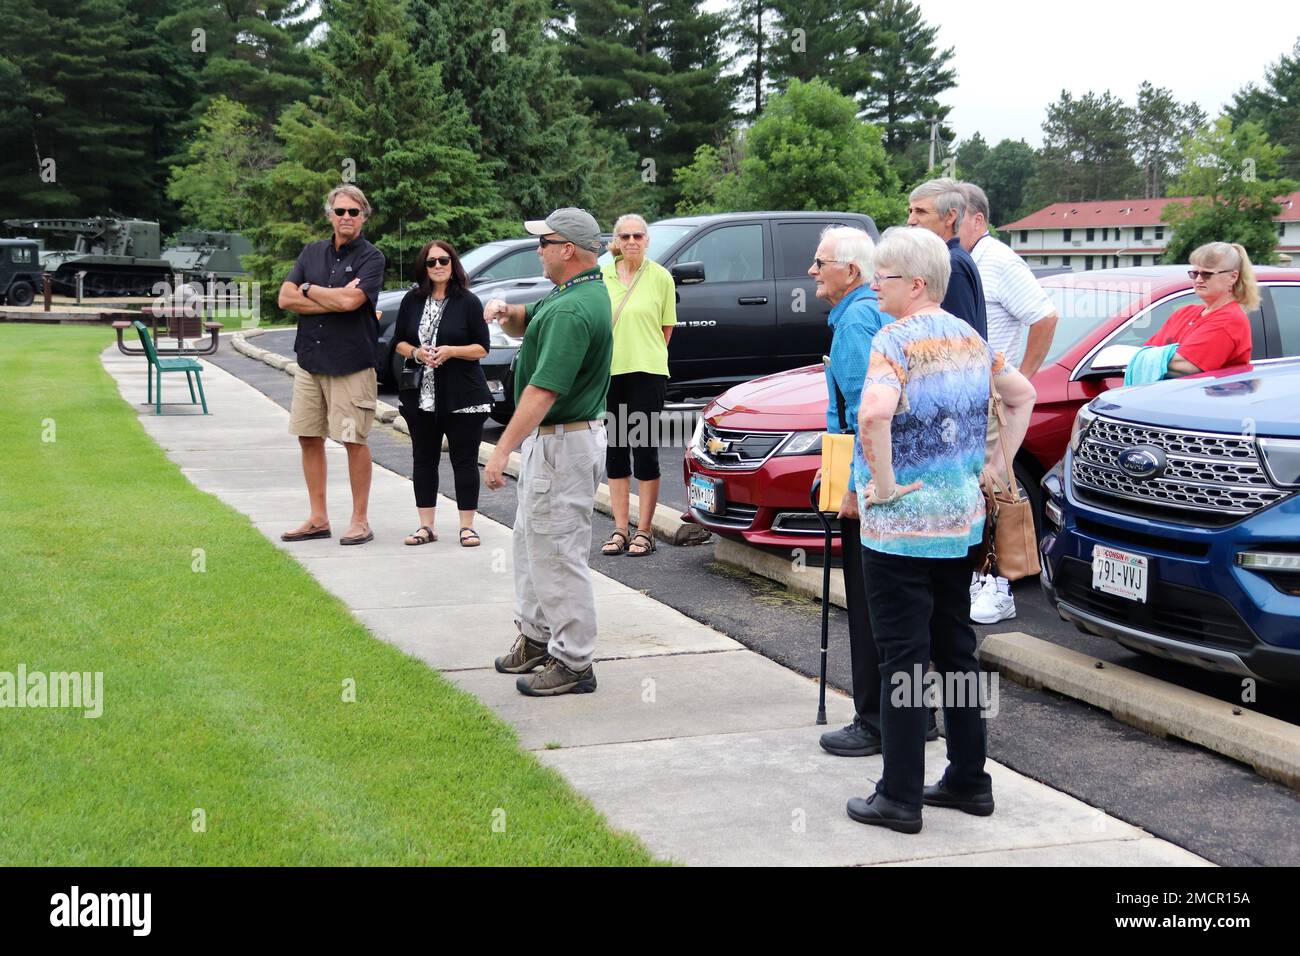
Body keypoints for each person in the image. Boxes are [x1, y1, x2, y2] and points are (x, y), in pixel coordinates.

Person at [845, 227, 1035, 834]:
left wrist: (885, 482)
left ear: (917, 284)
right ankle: (968, 779)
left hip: (900, 530)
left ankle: (899, 796)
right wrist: (999, 465)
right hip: (960, 522)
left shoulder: (894, 341)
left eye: (885, 277)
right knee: (956, 649)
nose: (875, 285)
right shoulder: (972, 339)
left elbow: (874, 414)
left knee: (902, 657)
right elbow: (1021, 394)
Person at [808, 226, 942, 758]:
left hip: (870, 478)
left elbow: (870, 414)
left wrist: (854, 487)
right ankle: (917, 717)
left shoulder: (858, 321)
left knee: (871, 605)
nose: (812, 272)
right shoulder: (871, 314)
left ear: (853, 273)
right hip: (905, 477)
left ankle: (875, 720)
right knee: (904, 607)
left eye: (821, 263)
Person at [481, 208, 613, 697]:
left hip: (563, 441)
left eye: (544, 242)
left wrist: (500, 452)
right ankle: (537, 639)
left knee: (557, 553)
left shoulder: (574, 309)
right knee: (531, 544)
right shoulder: (570, 294)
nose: (537, 249)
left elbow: (542, 392)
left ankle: (575, 661)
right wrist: (505, 312)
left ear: (568, 250)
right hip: (558, 442)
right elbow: (527, 321)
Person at [957, 181, 1059, 625]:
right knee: (979, 488)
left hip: (994, 392)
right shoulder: (963, 261)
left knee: (999, 487)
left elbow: (1045, 315)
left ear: (977, 219)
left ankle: (1001, 585)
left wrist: (1022, 376)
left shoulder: (997, 260)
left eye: (953, 215)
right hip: (973, 391)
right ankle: (979, 577)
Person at [278, 185, 386, 546]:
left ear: (363, 217)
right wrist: (329, 296)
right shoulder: (311, 253)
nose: (346, 218)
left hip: (351, 363)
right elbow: (284, 297)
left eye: (353, 212)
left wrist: (308, 290)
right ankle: (318, 518)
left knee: (353, 439)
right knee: (309, 437)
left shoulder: (373, 258)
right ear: (330, 215)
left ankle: (359, 521)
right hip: (311, 360)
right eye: (340, 211)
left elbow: (352, 302)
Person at [391, 239, 493, 547]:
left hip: (463, 396)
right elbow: (398, 342)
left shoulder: (468, 301)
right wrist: (418, 354)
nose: (437, 266)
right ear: (424, 267)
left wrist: (451, 351)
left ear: (453, 264)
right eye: (431, 262)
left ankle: (467, 526)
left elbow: (482, 348)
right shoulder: (412, 300)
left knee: (464, 460)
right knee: (423, 459)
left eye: (443, 261)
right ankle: (427, 526)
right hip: (421, 396)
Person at [599, 214, 676, 558]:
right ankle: (619, 528)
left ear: (647, 241)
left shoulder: (661, 277)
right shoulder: (603, 275)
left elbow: (666, 329)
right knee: (616, 451)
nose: (632, 241)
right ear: (617, 240)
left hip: (647, 373)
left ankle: (644, 531)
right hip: (611, 373)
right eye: (625, 236)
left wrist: (648, 356)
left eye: (638, 236)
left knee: (644, 449)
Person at [1143, 242, 1257, 377]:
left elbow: (1186, 365)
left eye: (1206, 274)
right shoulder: (1184, 312)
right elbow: (1147, 351)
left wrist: (1151, 357)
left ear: (1232, 277)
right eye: (1194, 273)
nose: (1198, 280)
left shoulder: (1230, 320)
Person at [906, 178, 988, 340]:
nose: (911, 221)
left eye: (921, 212)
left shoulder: (951, 264)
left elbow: (960, 341)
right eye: (910, 211)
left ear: (950, 217)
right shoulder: (950, 259)